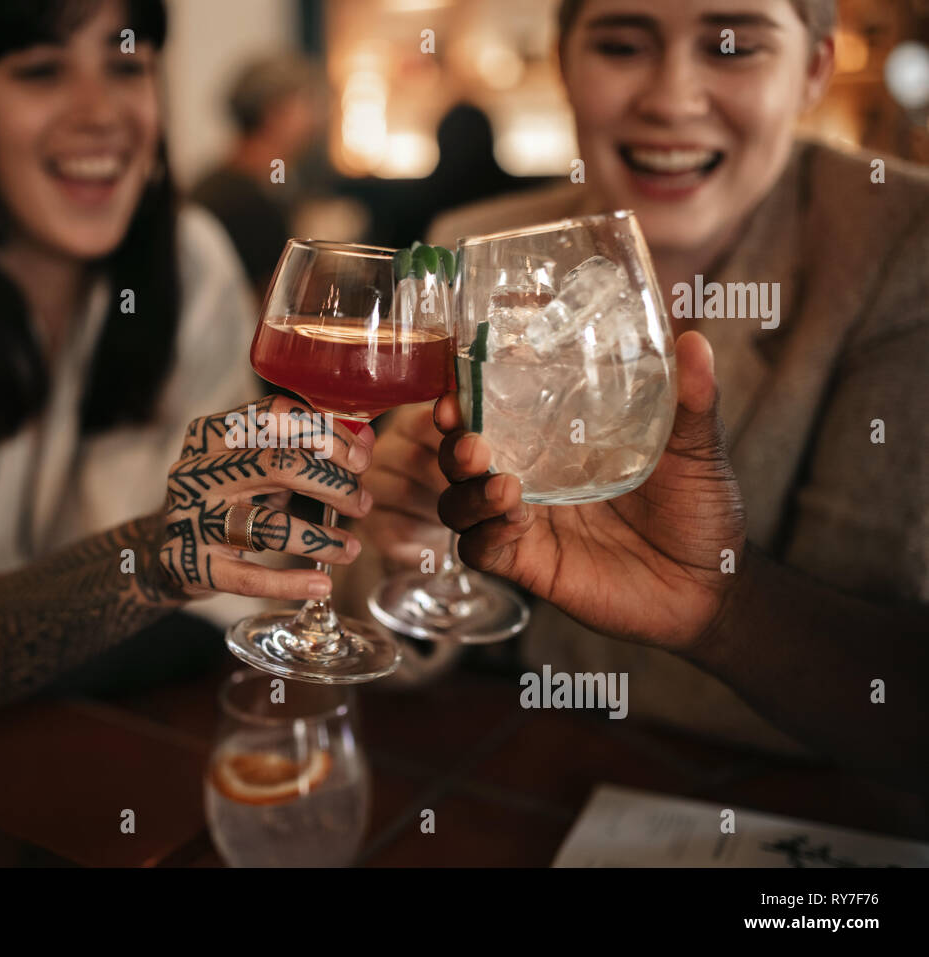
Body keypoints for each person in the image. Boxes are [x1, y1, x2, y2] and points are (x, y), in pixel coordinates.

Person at [357, 0, 929, 787]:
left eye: (731, 48)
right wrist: (411, 546)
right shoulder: (475, 242)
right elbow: (392, 651)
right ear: (563, 63)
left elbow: (888, 691)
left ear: (814, 69)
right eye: (622, 44)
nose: (671, 97)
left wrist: (719, 609)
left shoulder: (902, 243)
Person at [0, 0, 373, 727]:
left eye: (126, 65)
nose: (100, 113)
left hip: (96, 742)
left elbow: (240, 565)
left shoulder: (190, 260)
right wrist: (146, 561)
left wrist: (381, 546)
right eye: (42, 70)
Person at [189, 55, 321, 298]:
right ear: (274, 112)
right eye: (305, 103)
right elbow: (281, 303)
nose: (314, 120)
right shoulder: (245, 200)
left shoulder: (227, 181)